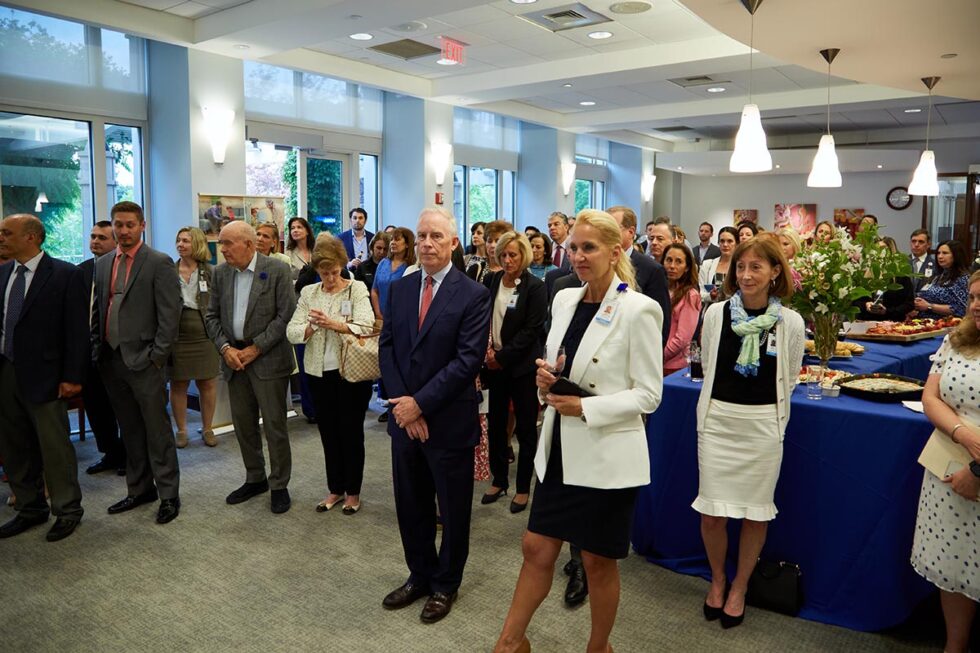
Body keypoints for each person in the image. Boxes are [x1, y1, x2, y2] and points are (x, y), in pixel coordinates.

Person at [493, 209, 663, 653]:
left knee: (597, 561)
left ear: (615, 251)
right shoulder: (565, 298)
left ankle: (598, 647)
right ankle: (510, 643)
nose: (579, 256)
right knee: (536, 547)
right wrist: (546, 378)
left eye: (589, 247)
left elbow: (649, 395)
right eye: (574, 247)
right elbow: (564, 365)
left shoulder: (639, 309)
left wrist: (587, 407)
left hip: (607, 454)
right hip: (560, 447)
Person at [379, 207, 491, 624]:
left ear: (453, 242)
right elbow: (388, 348)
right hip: (405, 420)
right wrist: (404, 407)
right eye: (422, 235)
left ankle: (446, 584)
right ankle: (419, 575)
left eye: (436, 236)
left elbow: (467, 361)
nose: (427, 243)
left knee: (453, 509)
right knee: (411, 504)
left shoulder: (473, 294)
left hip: (448, 421)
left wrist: (419, 404)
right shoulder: (401, 288)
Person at [694, 236, 805, 629]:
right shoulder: (716, 314)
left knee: (755, 516)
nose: (745, 275)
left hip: (762, 427)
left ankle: (740, 586)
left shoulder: (790, 322)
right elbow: (709, 365)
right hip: (718, 423)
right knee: (712, 514)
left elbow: (790, 377)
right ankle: (718, 579)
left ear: (775, 272)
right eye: (741, 267)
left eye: (756, 267)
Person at [93, 201, 182, 524]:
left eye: (130, 225)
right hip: (111, 359)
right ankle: (140, 489)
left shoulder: (159, 262)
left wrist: (157, 357)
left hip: (146, 361)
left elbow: (170, 316)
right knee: (129, 430)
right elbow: (99, 309)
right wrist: (97, 349)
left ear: (142, 225)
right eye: (118, 225)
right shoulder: (104, 263)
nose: (124, 231)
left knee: (157, 431)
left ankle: (168, 494)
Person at [0, 215, 87, 541]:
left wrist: (73, 376)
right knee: (14, 446)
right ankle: (30, 507)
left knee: (54, 449)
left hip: (47, 375)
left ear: (32, 237)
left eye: (7, 233)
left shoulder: (65, 274)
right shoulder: (3, 273)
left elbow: (77, 330)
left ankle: (67, 510)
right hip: (6, 371)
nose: (1, 238)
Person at [205, 221, 297, 514]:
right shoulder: (220, 273)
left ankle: (279, 484)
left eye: (227, 243)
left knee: (274, 426)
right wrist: (225, 348)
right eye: (221, 243)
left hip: (268, 358)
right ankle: (255, 478)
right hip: (234, 359)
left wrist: (256, 348)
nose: (222, 249)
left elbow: (285, 315)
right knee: (243, 425)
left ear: (248, 244)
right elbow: (211, 316)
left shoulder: (277, 270)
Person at [910, 271, 980, 653]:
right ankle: (955, 644)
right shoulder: (955, 340)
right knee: (953, 564)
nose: (976, 305)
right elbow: (930, 397)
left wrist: (978, 471)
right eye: (973, 297)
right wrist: (963, 434)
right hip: (949, 469)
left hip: (974, 471)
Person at [287, 236, 375, 515]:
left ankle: (353, 492)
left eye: (335, 272)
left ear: (341, 265)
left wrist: (334, 324)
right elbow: (292, 331)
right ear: (316, 270)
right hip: (318, 374)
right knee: (328, 433)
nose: (330, 278)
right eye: (324, 273)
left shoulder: (356, 288)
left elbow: (367, 325)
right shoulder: (309, 293)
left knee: (351, 433)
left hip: (350, 373)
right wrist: (312, 328)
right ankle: (335, 488)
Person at [481, 231, 547, 514]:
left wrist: (501, 357)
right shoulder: (492, 280)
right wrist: (488, 353)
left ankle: (522, 487)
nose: (507, 260)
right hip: (494, 367)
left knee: (525, 428)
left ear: (524, 256)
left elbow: (531, 331)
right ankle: (499, 480)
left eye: (513, 255)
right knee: (496, 425)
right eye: (504, 255)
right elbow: (483, 318)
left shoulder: (535, 287)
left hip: (521, 368)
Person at [78, 221, 126, 475]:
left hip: (117, 348)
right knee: (96, 406)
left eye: (102, 238)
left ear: (116, 242)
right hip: (88, 350)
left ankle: (130, 455)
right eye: (93, 236)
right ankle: (110, 452)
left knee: (123, 406)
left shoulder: (124, 269)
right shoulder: (81, 271)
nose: (95, 241)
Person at [170, 227, 220, 448]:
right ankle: (181, 430)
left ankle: (208, 428)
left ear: (197, 244)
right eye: (178, 240)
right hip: (177, 335)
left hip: (205, 334)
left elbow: (219, 304)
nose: (180, 245)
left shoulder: (210, 272)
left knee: (207, 383)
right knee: (178, 383)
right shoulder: (168, 271)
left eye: (186, 241)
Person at [371, 227, 415, 423]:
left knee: (400, 361)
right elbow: (374, 290)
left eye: (398, 240)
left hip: (402, 320)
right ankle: (388, 402)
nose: (393, 243)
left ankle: (400, 402)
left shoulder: (411, 267)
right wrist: (378, 313)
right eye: (392, 240)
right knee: (385, 360)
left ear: (407, 244)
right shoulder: (383, 263)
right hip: (382, 318)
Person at [662, 243, 702, 376]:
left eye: (678, 262)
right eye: (669, 260)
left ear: (687, 267)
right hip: (652, 361)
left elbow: (682, 338)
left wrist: (660, 356)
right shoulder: (659, 290)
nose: (672, 266)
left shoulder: (691, 295)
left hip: (673, 366)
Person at [858, 237, 915, 321]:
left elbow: (909, 304)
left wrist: (887, 311)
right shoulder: (865, 274)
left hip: (892, 322)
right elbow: (855, 301)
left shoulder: (900, 275)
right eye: (876, 249)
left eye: (883, 249)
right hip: (866, 321)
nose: (879, 252)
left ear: (891, 251)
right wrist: (866, 305)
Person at [913, 240, 971, 319]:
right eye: (938, 253)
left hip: (946, 324)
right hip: (924, 321)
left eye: (945, 253)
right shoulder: (939, 276)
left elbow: (962, 309)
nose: (940, 256)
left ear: (956, 255)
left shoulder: (963, 278)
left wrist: (929, 306)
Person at [699, 226, 738, 305]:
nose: (725, 244)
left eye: (730, 241)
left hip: (734, 309)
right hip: (711, 309)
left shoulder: (740, 266)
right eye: (722, 241)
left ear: (737, 243)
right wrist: (710, 296)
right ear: (718, 243)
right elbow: (699, 293)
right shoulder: (707, 265)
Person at [285, 217, 315, 281]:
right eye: (292, 228)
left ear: (307, 231)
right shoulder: (287, 253)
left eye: (299, 227)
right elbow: (285, 279)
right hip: (296, 287)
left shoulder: (316, 251)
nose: (295, 230)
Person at [909, 228, 937, 293]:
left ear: (929, 245)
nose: (916, 245)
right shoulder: (902, 263)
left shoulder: (935, 265)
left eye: (921, 242)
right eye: (913, 241)